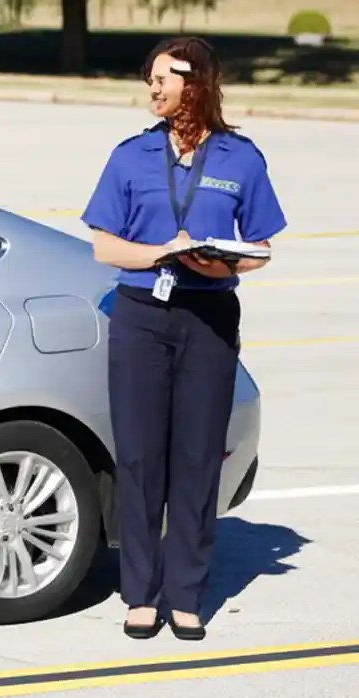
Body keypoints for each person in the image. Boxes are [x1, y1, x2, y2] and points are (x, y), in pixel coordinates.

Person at [80, 37, 286, 641]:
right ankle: (140, 593)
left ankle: (187, 593)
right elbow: (103, 245)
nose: (154, 89)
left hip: (209, 319)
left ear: (198, 84)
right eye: (150, 80)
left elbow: (262, 248)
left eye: (164, 79)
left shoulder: (241, 158)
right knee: (142, 458)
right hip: (142, 315)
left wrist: (223, 265)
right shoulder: (129, 156)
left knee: (197, 460)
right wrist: (161, 253)